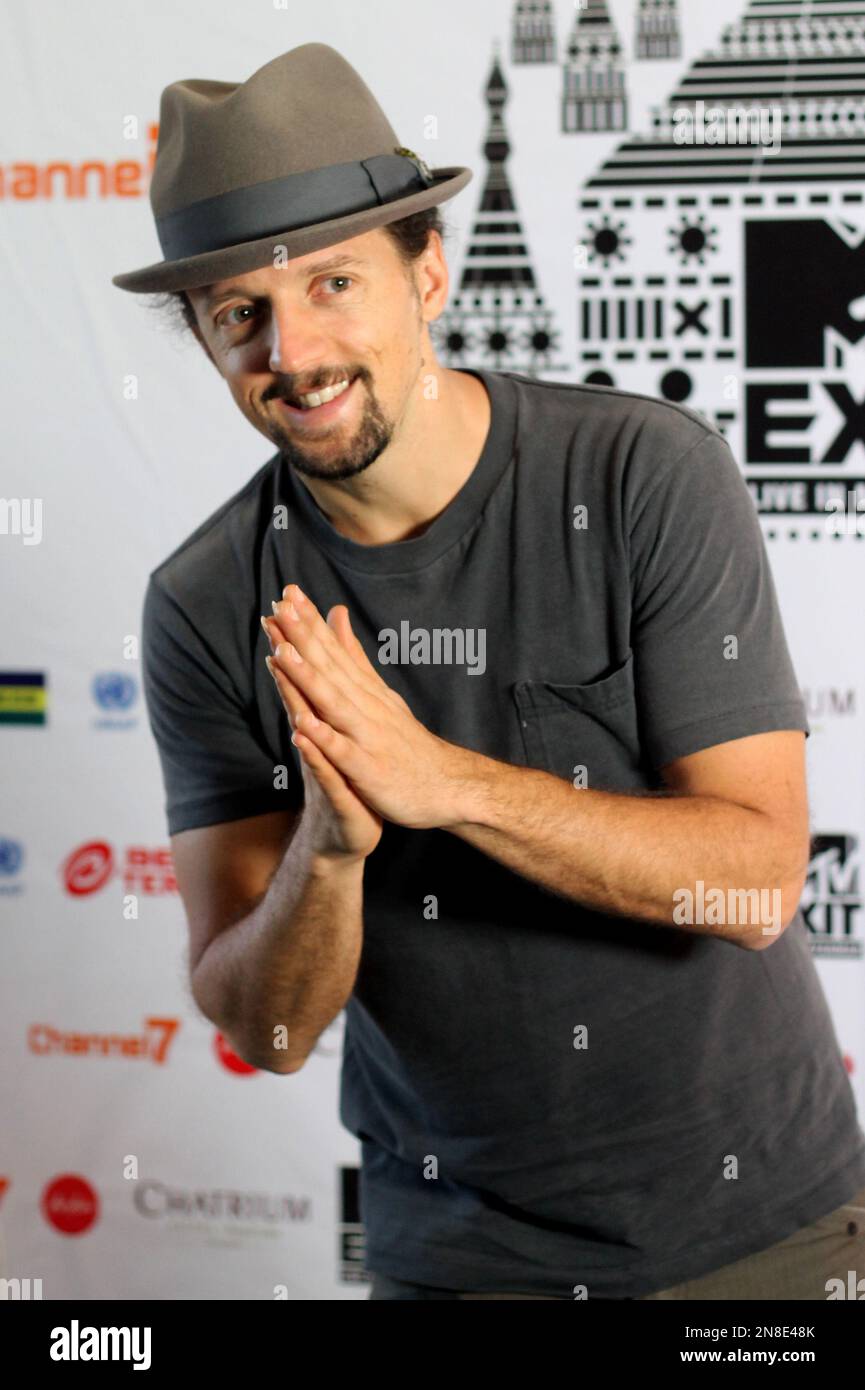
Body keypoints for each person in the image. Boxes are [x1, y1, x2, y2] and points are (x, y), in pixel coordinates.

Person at [113, 43, 865, 1301]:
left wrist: (446, 783)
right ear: (204, 340)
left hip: (756, 1239)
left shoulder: (640, 476)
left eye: (334, 283)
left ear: (430, 273)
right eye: (239, 311)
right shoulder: (202, 604)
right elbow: (273, 1026)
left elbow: (751, 885)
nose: (291, 352)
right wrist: (333, 850)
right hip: (454, 1260)